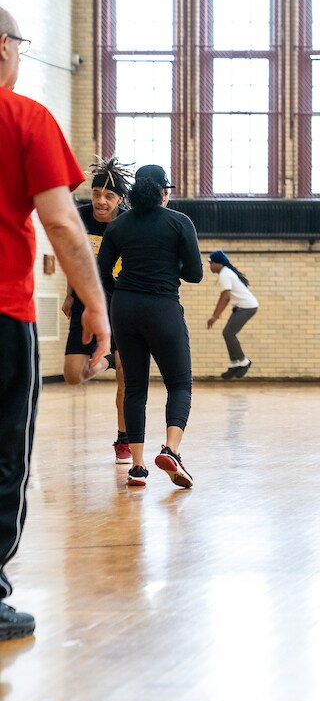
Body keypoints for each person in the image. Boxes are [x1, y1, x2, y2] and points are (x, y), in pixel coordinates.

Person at [0, 7, 111, 639]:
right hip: (2, 314)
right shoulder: (25, 119)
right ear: (3, 48)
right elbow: (65, 225)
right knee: (4, 452)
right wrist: (94, 304)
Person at [97, 165, 204, 487]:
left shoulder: (118, 225)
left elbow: (100, 271)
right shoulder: (179, 222)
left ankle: (138, 467)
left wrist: (121, 294)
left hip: (124, 308)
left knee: (134, 387)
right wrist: (173, 262)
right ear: (163, 191)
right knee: (180, 384)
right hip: (162, 308)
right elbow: (195, 274)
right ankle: (171, 450)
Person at [61, 157, 132, 462]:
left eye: (109, 196)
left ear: (120, 199)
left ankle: (124, 439)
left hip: (122, 306)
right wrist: (68, 295)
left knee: (127, 381)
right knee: (74, 375)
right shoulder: (79, 218)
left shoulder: (129, 223)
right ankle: (104, 361)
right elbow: (72, 257)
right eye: (96, 194)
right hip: (86, 304)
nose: (101, 201)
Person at [206, 250, 258, 379]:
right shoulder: (226, 273)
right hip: (243, 307)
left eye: (211, 263)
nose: (210, 266)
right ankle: (235, 364)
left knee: (229, 333)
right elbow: (223, 296)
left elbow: (226, 297)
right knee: (227, 333)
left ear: (219, 263)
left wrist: (215, 316)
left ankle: (244, 362)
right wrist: (215, 315)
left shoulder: (225, 274)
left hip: (247, 307)